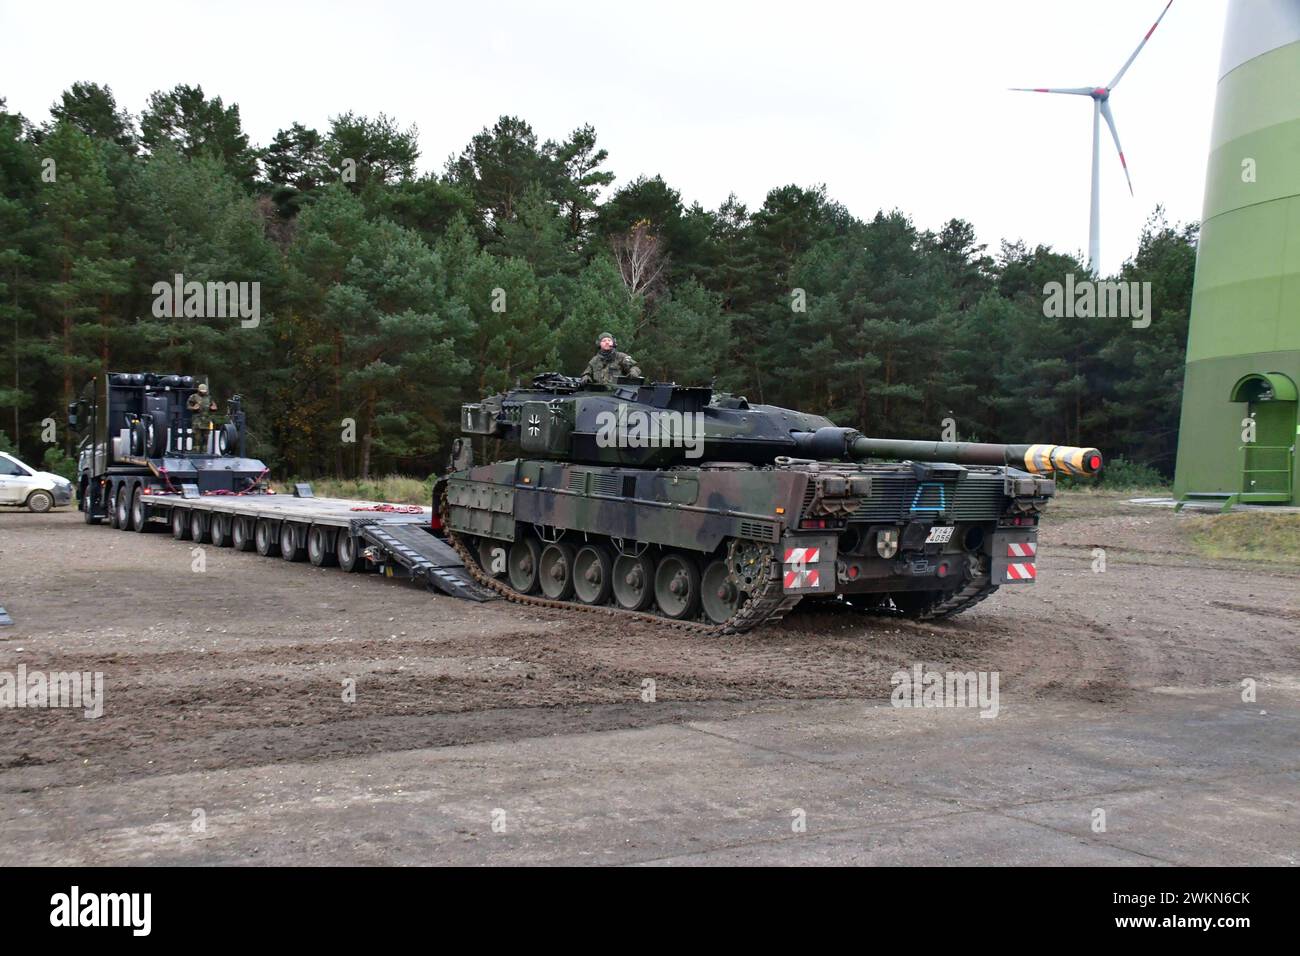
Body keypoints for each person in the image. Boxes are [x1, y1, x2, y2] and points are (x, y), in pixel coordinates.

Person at [187, 383, 218, 450]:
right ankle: (195, 451)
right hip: (197, 420)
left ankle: (204, 451)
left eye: (204, 391)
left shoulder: (209, 398)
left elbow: (214, 406)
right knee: (196, 437)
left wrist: (213, 408)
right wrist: (193, 408)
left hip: (206, 420)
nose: (203, 392)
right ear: (199, 390)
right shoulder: (193, 397)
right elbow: (188, 406)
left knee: (206, 436)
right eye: (202, 391)